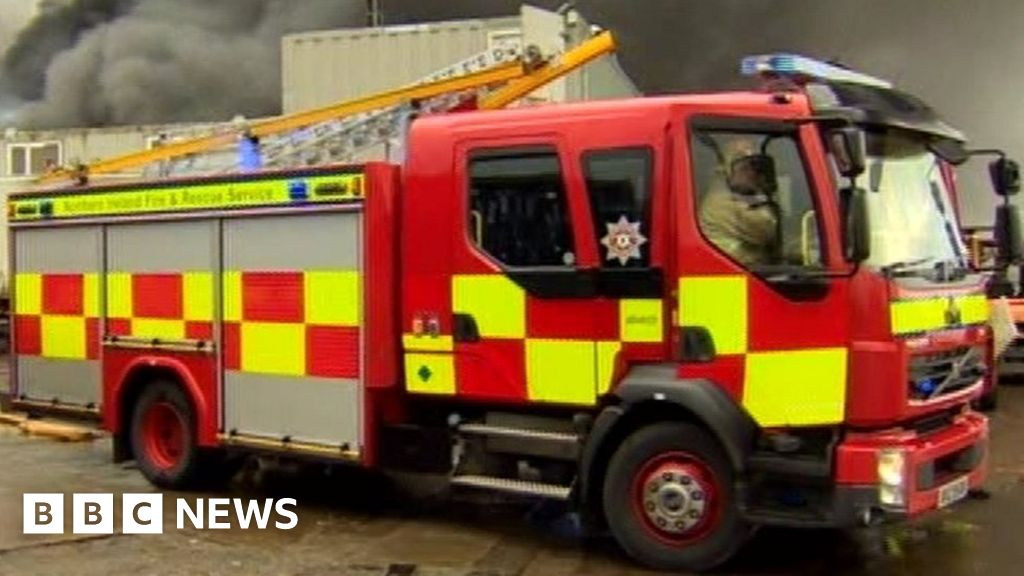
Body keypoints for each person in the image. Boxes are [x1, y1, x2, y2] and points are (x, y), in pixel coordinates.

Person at [698, 138, 779, 266]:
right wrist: (759, 189)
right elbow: (766, 230)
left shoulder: (738, 194)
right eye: (743, 161)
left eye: (752, 162)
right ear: (724, 168)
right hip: (730, 278)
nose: (751, 170)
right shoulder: (723, 200)